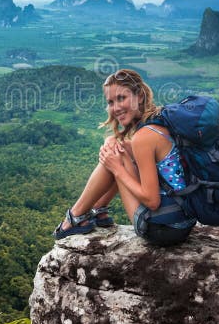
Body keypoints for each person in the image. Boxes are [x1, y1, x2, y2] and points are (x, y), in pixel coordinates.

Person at [53, 68, 196, 245]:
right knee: (118, 151)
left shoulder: (143, 138)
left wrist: (117, 169)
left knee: (116, 157)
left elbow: (152, 201)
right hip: (182, 220)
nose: (116, 108)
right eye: (111, 102)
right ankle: (98, 210)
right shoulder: (160, 121)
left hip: (162, 229)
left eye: (121, 98)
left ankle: (75, 216)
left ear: (140, 96)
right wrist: (115, 142)